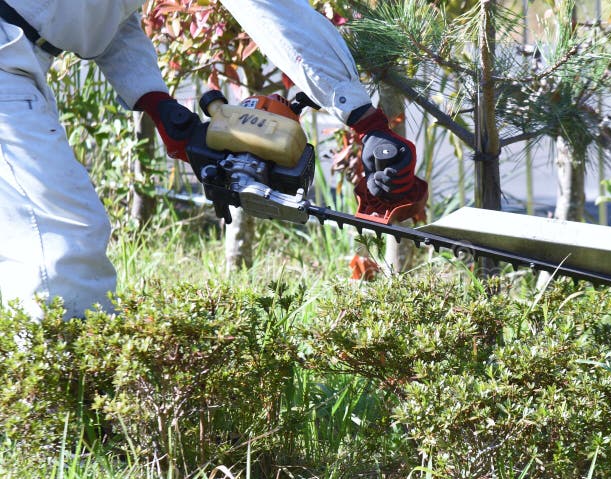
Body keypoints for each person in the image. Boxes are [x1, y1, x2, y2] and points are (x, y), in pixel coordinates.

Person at [0, 0, 424, 319]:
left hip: (19, 58)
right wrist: (363, 119)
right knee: (63, 241)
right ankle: (70, 414)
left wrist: (156, 102)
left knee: (22, 245)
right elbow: (271, 10)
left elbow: (112, 21)